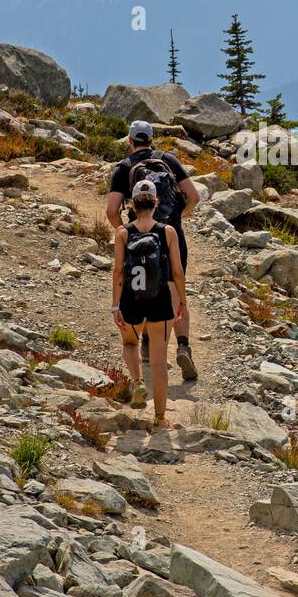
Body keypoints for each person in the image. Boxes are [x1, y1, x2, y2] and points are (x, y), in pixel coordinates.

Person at [106, 119, 200, 380]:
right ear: (151, 139)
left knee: (142, 288)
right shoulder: (167, 159)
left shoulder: (124, 168)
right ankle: (183, 346)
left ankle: (147, 344)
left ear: (130, 141)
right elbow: (194, 196)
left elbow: (112, 211)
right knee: (174, 289)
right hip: (172, 234)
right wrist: (180, 216)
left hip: (138, 240)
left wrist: (125, 231)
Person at [111, 180, 187, 429]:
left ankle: (138, 383)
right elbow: (176, 271)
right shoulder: (167, 232)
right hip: (159, 299)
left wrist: (115, 305)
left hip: (132, 299)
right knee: (158, 359)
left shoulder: (123, 232)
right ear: (156, 202)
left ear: (132, 204)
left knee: (130, 343)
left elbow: (119, 272)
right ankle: (160, 418)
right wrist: (182, 302)